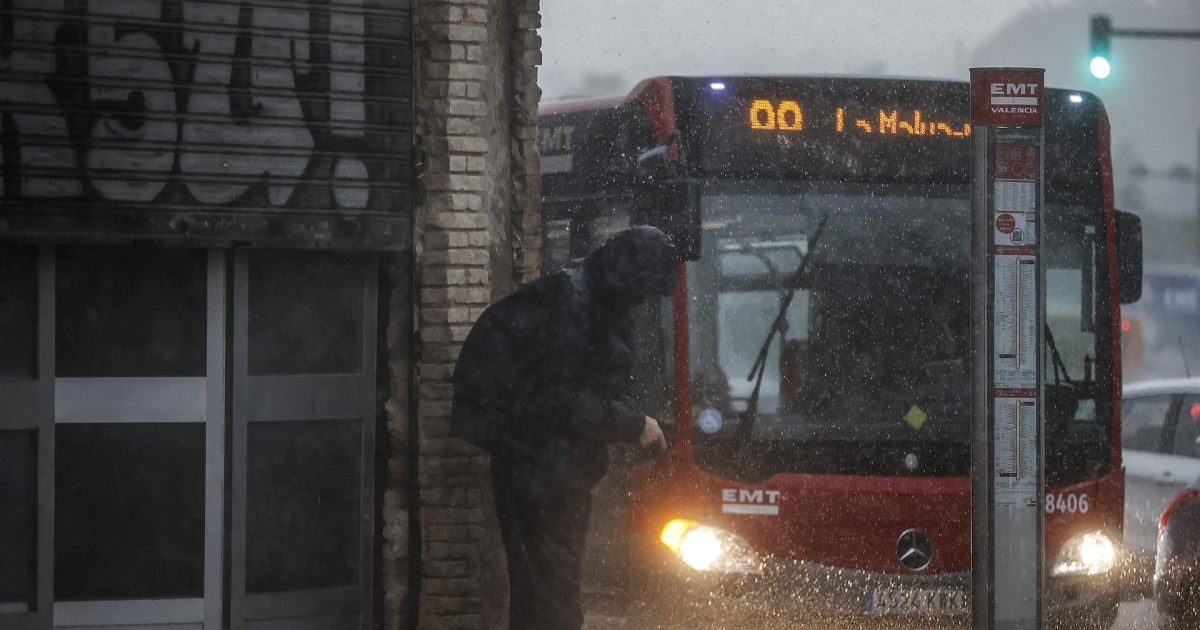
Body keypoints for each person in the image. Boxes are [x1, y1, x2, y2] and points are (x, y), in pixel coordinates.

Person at [450, 225, 677, 630]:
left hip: (545, 462)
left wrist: (632, 420)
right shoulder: (572, 301)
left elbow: (596, 382)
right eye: (642, 290)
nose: (642, 301)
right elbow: (563, 398)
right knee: (551, 593)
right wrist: (632, 424)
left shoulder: (596, 298)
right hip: (537, 465)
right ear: (631, 275)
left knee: (542, 590)